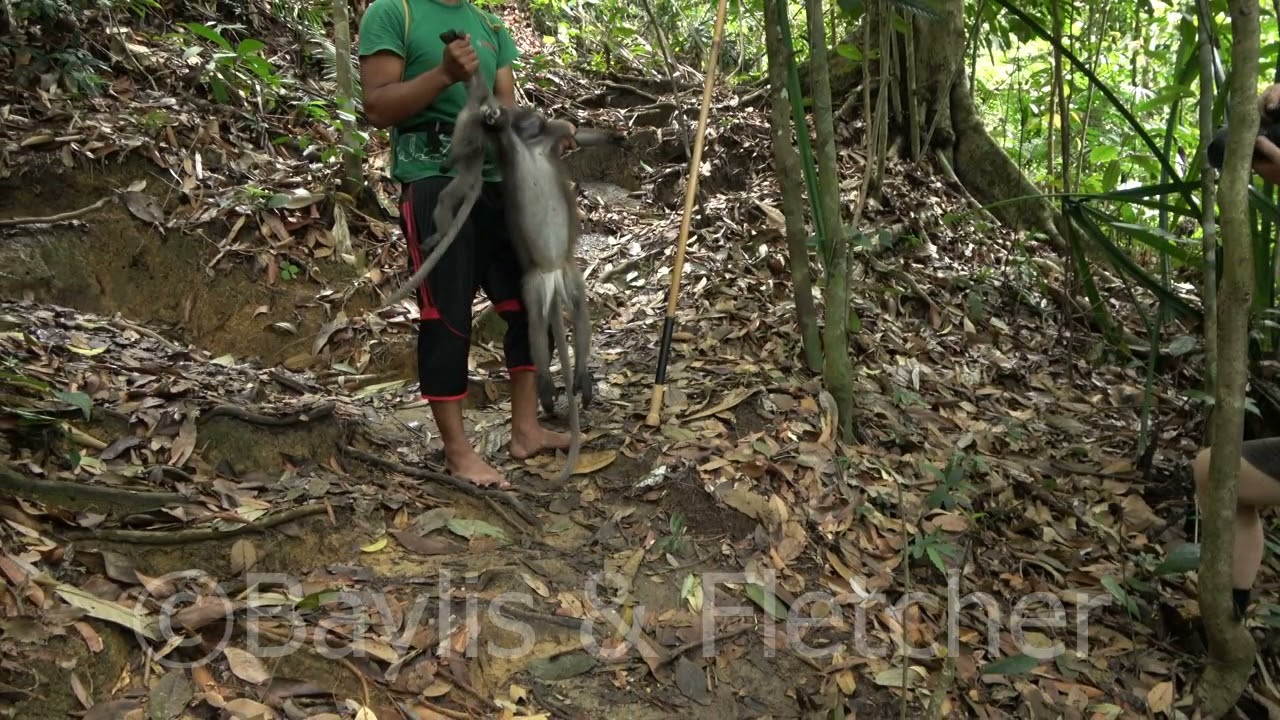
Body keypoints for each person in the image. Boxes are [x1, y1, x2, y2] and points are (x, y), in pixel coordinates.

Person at [356, 0, 577, 488]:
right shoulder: (394, 12)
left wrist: (543, 133)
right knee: (446, 314)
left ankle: (526, 430)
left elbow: (503, 110)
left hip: (501, 184)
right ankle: (458, 452)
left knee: (531, 303)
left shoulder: (490, 26)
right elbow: (376, 107)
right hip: (436, 183)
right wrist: (442, 74)